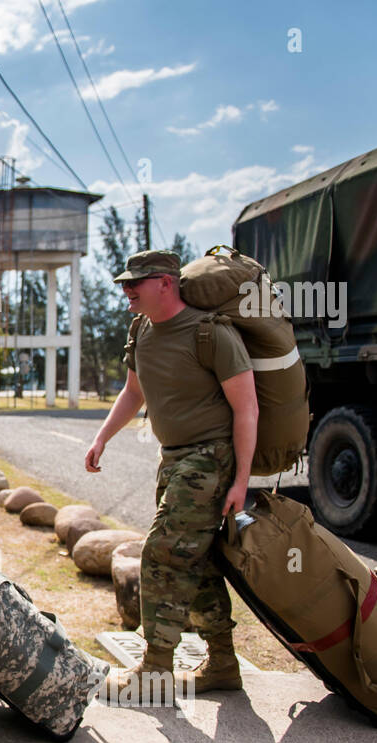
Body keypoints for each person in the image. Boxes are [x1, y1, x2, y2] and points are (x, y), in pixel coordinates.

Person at [85, 250, 259, 703]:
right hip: (174, 459)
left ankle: (156, 667)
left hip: (210, 459)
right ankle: (222, 663)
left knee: (162, 553)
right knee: (194, 561)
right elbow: (134, 391)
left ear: (166, 282)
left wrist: (240, 481)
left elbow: (246, 408)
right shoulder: (141, 330)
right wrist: (103, 438)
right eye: (124, 284)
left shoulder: (210, 333)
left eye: (134, 284)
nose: (126, 292)